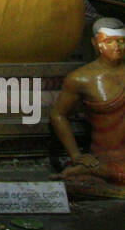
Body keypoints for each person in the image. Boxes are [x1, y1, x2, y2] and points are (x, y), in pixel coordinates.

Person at [50, 17, 125, 199]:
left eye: (121, 41)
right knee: (79, 178)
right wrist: (76, 155)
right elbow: (58, 114)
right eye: (108, 41)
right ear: (94, 43)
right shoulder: (81, 79)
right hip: (104, 157)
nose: (116, 47)